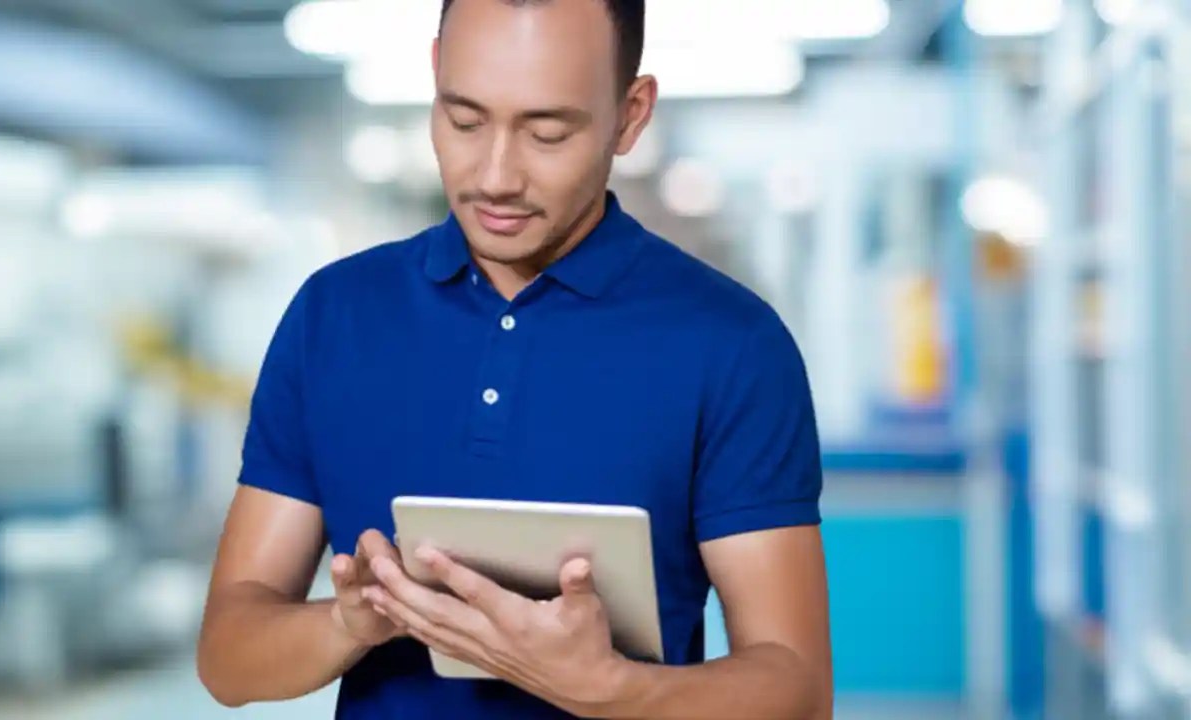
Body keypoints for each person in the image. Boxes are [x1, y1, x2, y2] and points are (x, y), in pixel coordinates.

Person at [196, 0, 832, 717]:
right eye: (464, 120)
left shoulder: (732, 345)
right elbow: (228, 658)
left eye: (548, 133)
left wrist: (609, 687)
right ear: (434, 73)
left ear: (631, 115)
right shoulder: (332, 317)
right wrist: (350, 620)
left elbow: (797, 690)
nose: (496, 176)